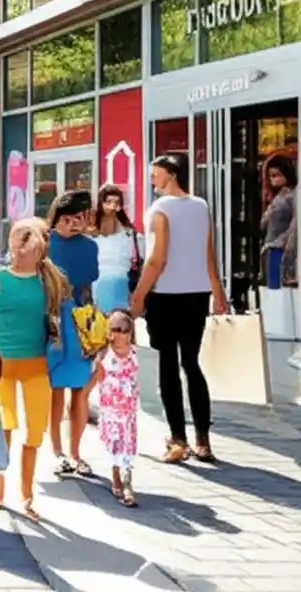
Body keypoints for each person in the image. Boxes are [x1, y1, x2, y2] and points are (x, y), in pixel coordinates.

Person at [131, 155, 227, 463]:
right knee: (192, 364)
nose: (151, 179)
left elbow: (156, 259)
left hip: (166, 294)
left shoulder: (159, 209)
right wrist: (217, 290)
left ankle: (178, 440)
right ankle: (203, 440)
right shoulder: (201, 206)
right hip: (197, 294)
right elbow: (208, 252)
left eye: (155, 173)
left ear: (171, 174)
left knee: (168, 366)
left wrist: (138, 295)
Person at [0, 218, 69, 522]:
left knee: (35, 433)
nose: (21, 248)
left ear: (40, 248)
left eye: (28, 242)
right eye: (18, 240)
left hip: (37, 366)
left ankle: (27, 495)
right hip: (3, 367)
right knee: (5, 427)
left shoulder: (49, 282)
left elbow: (65, 316)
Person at [46, 190, 99, 478]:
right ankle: (57, 451)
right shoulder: (44, 242)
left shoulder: (90, 247)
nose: (75, 223)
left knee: (80, 389)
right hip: (52, 320)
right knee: (55, 388)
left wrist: (94, 329)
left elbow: (87, 285)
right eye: (69, 218)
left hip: (80, 321)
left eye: (80, 217)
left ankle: (76, 451)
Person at [99, 309, 141, 508]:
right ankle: (116, 472)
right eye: (116, 329)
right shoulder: (104, 354)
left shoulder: (134, 353)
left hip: (128, 410)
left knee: (127, 445)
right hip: (110, 409)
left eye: (125, 329)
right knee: (115, 443)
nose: (120, 334)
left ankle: (126, 481)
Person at [91, 184, 142, 317]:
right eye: (108, 202)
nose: (113, 206)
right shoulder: (90, 233)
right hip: (96, 287)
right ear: (101, 203)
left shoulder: (128, 233)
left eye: (117, 202)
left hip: (122, 285)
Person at [261, 155, 296, 290]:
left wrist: (285, 242)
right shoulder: (277, 197)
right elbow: (264, 223)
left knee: (278, 288)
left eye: (277, 175)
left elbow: (295, 223)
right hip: (271, 247)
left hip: (282, 247)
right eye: (271, 176)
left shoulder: (292, 196)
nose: (273, 179)